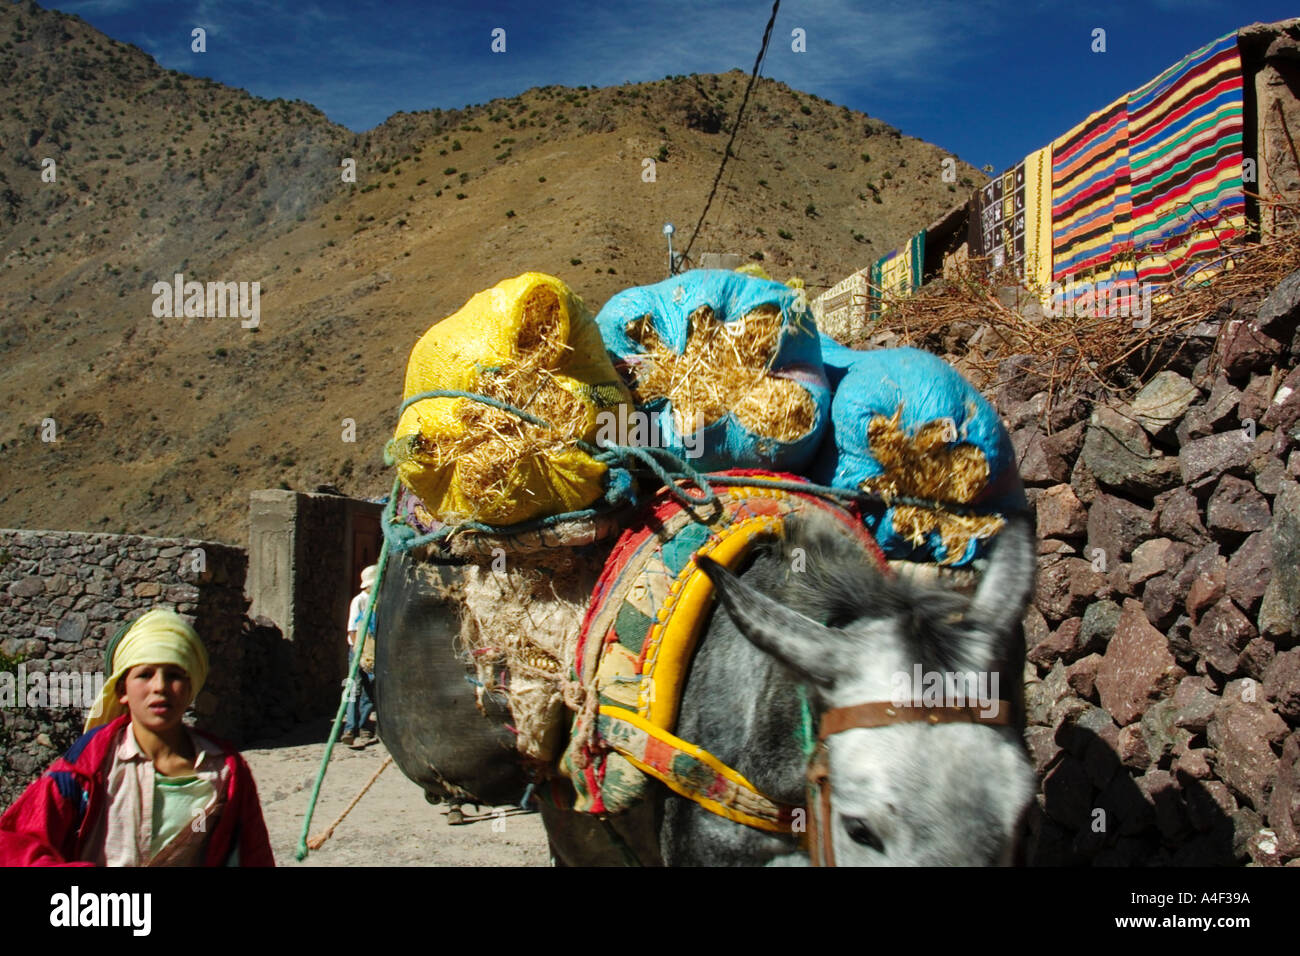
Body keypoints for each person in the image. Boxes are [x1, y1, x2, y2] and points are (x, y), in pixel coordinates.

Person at [0, 608, 274, 866]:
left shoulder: (226, 771)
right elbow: (14, 842)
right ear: (122, 690)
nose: (160, 687)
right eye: (145, 674)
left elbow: (254, 855)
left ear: (191, 687)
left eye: (175, 675)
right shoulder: (90, 765)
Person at [342, 564, 378, 748]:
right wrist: (359, 652)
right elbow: (353, 629)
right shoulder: (360, 601)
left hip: (372, 652)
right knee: (353, 689)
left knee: (369, 691)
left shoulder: (378, 601)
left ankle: (365, 727)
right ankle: (350, 727)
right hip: (358, 651)